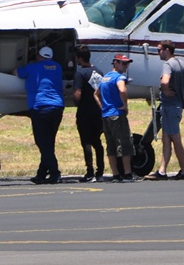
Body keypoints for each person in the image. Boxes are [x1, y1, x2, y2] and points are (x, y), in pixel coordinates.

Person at [16, 45, 65, 184]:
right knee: (49, 142)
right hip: (57, 107)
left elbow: (17, 72)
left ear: (39, 56)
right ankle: (41, 173)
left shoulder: (33, 67)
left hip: (40, 107)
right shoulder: (58, 67)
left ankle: (55, 172)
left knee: (42, 142)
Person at [146, 39, 184, 180]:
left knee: (175, 138)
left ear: (167, 50)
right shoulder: (182, 64)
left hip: (170, 106)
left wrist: (164, 90)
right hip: (177, 105)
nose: (158, 53)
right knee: (166, 138)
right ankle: (162, 171)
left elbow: (165, 81)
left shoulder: (168, 65)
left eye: (159, 50)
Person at [97, 54, 135, 182]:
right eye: (123, 63)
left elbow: (96, 94)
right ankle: (127, 173)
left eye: (127, 64)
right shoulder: (119, 77)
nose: (126, 66)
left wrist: (103, 106)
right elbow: (122, 90)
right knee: (124, 143)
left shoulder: (105, 78)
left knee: (111, 145)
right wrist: (125, 105)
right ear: (115, 63)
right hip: (117, 115)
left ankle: (116, 174)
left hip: (106, 115)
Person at [72, 45, 104, 182]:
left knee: (86, 142)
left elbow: (77, 93)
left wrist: (75, 101)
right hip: (98, 111)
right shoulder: (99, 72)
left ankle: (90, 171)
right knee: (97, 141)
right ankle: (100, 171)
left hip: (85, 112)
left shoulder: (80, 73)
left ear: (79, 58)